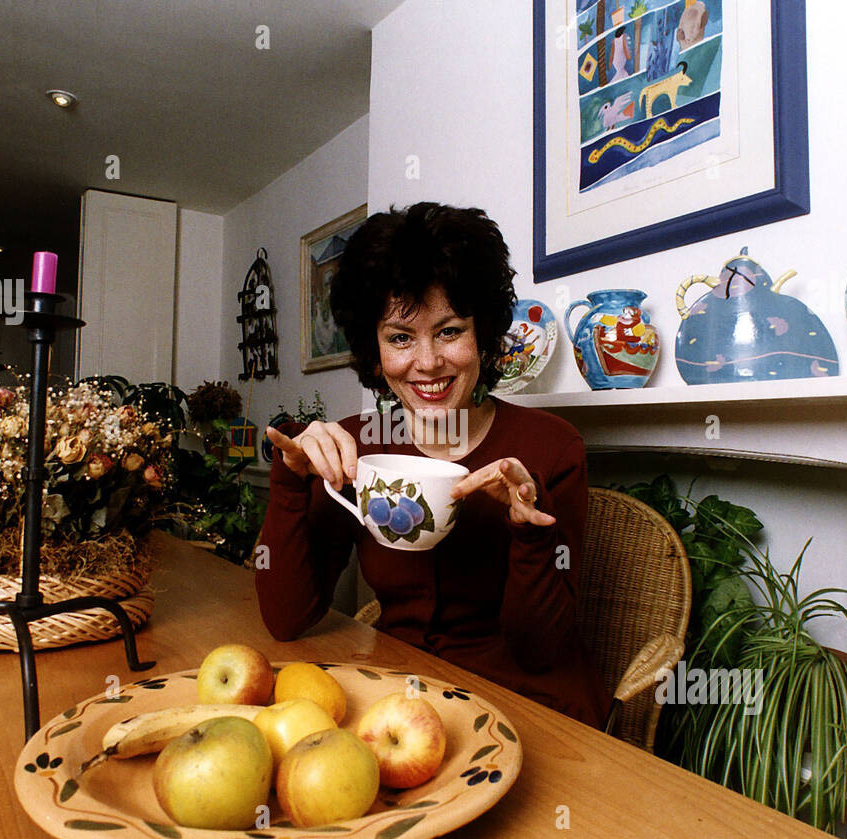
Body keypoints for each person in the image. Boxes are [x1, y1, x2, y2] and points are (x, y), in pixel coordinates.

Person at [257, 202, 610, 729]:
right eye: (400, 337)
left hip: (533, 707)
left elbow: (541, 652)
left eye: (449, 331)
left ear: (483, 333)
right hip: (407, 699)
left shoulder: (551, 447)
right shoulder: (356, 446)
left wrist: (528, 532)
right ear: (375, 353)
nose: (427, 362)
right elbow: (287, 620)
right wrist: (291, 479)